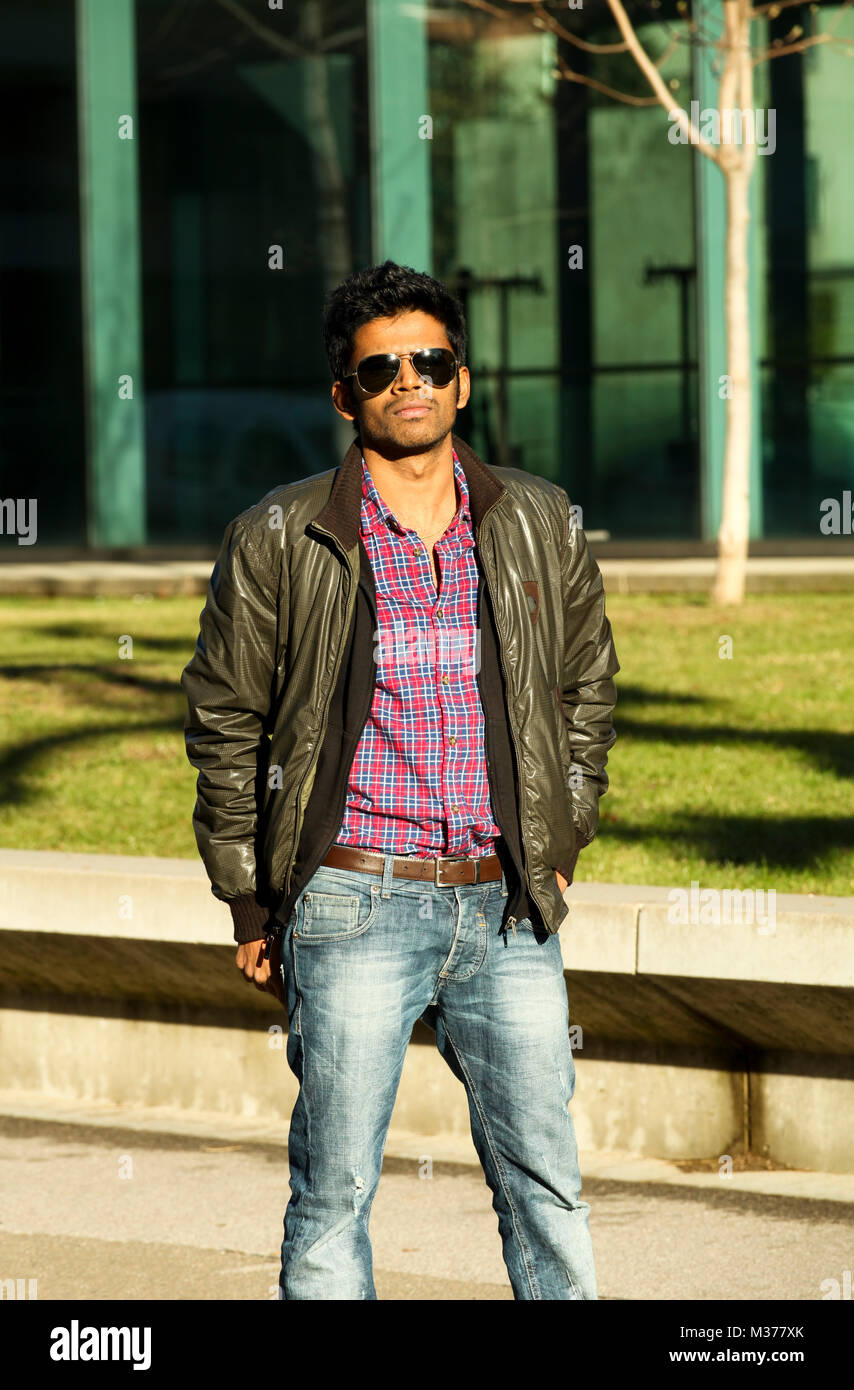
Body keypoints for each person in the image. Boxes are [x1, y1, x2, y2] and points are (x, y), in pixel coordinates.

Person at [180, 259, 619, 1300]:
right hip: (348, 896)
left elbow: (584, 689)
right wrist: (249, 895)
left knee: (545, 1183)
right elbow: (224, 718)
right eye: (379, 370)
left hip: (506, 900)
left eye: (429, 362)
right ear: (344, 396)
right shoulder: (281, 535)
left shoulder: (536, 518)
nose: (407, 382)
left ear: (461, 381)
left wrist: (559, 835)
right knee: (332, 1193)